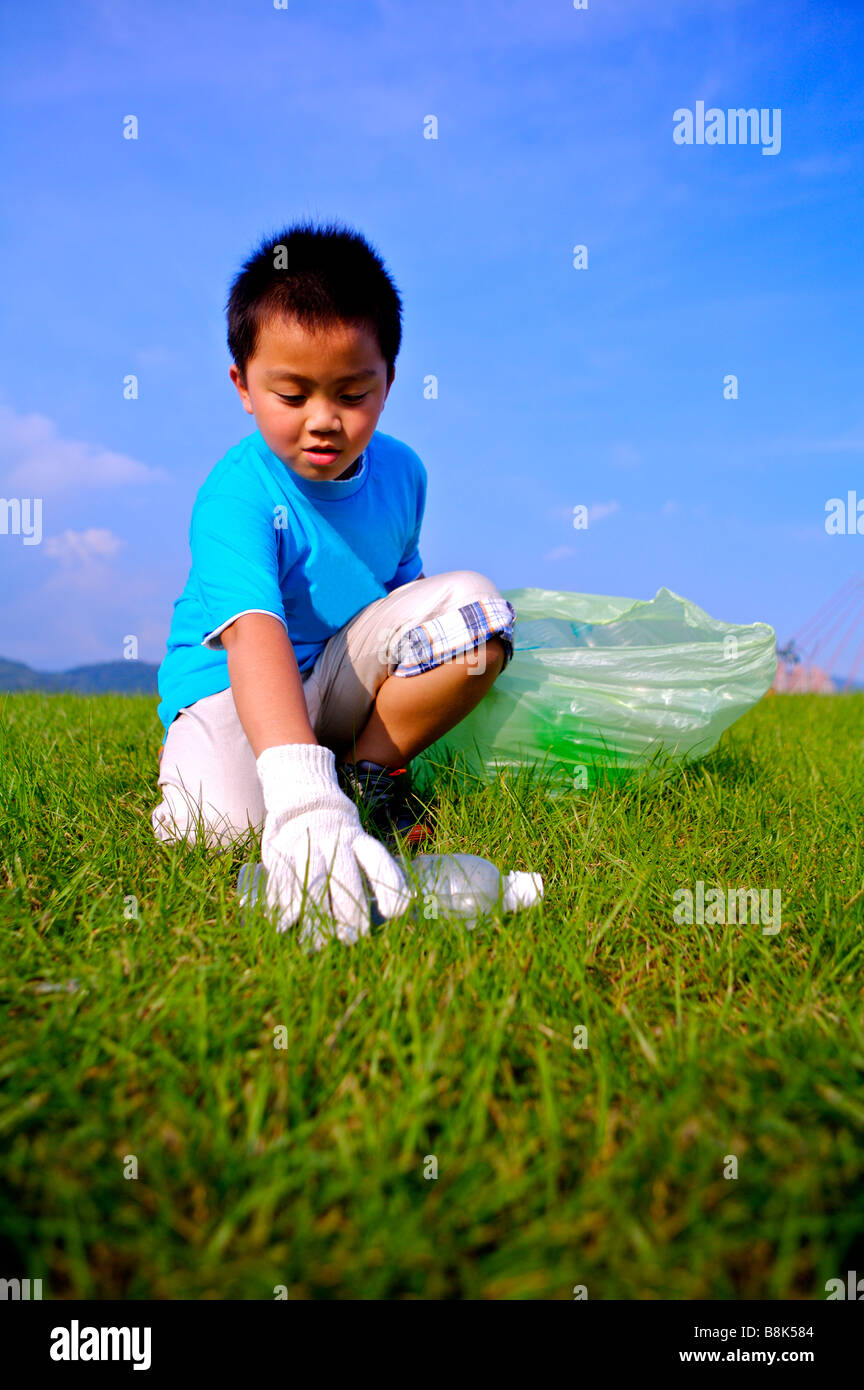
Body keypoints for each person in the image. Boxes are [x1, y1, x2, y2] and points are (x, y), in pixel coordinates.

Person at [151, 220, 516, 946]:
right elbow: (254, 632)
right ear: (243, 387)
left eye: (352, 393)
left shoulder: (404, 472)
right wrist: (298, 797)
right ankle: (308, 785)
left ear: (389, 381)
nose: (323, 421)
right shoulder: (236, 493)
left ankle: (369, 773)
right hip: (235, 691)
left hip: (339, 679)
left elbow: (401, 605)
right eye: (291, 395)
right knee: (215, 829)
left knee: (473, 616)